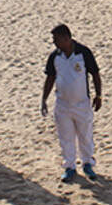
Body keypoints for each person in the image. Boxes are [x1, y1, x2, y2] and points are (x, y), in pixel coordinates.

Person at [41, 24, 102, 183]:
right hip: (62, 104)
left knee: (85, 135)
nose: (54, 42)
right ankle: (69, 166)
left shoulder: (83, 53)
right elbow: (50, 78)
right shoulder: (55, 56)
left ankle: (87, 163)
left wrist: (99, 95)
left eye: (56, 39)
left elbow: (95, 73)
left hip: (82, 103)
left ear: (67, 38)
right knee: (65, 137)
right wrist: (44, 99)